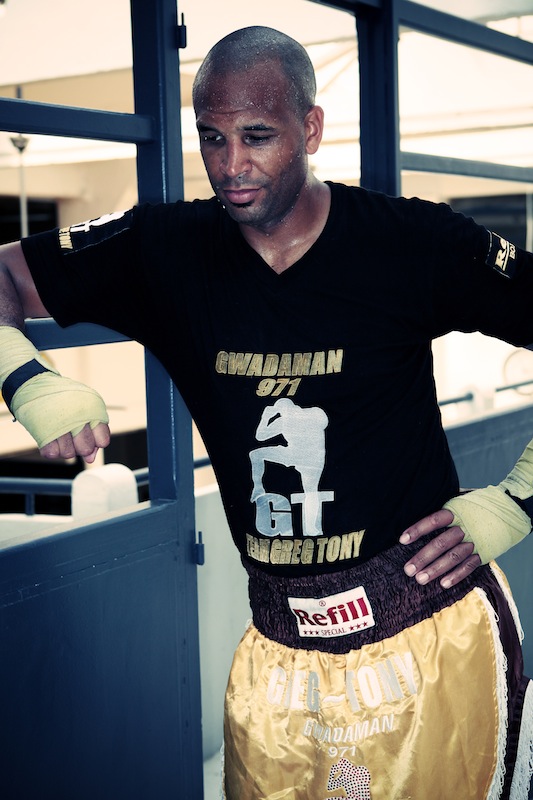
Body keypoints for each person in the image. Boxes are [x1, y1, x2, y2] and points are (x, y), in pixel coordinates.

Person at [0, 25, 532, 800]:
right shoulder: (164, 250)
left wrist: (518, 498)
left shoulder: (409, 241)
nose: (230, 165)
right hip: (277, 650)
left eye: (257, 136)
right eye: (212, 138)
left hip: (427, 633)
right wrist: (25, 377)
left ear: (309, 128)